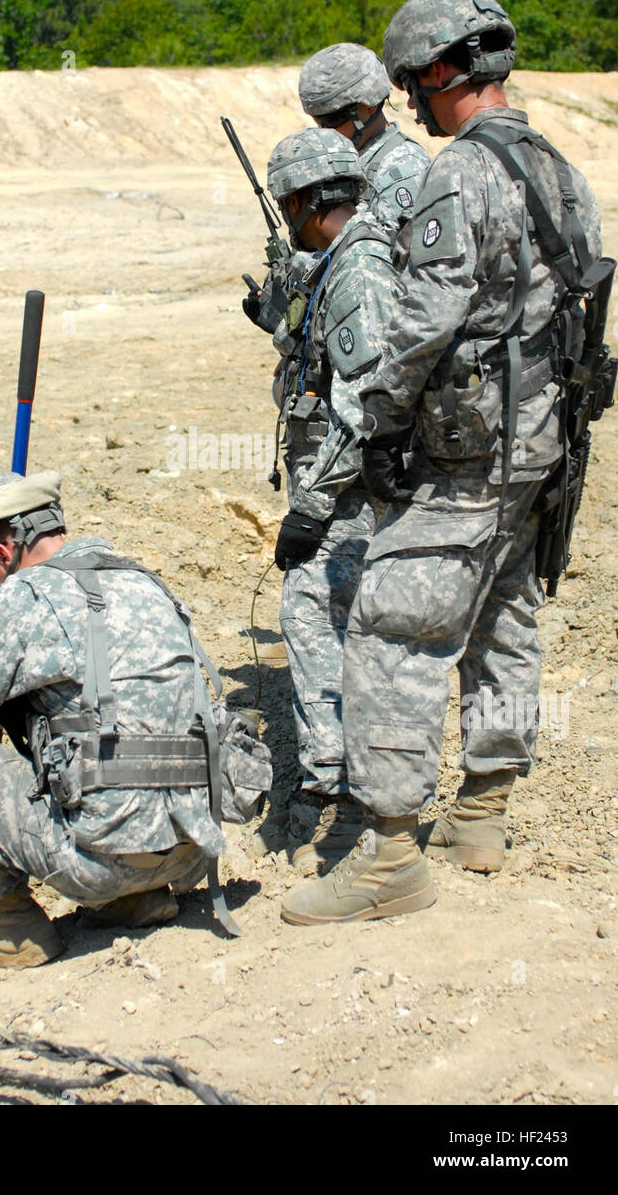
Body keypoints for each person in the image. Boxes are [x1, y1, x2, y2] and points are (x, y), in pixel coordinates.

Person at [281, 0, 606, 926]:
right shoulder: (557, 164)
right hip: (539, 449)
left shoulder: (459, 172)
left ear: (437, 69)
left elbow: (425, 321)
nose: (407, 105)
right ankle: (482, 814)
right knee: (505, 616)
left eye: (409, 84)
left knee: (391, 625)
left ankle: (387, 859)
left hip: (467, 453)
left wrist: (376, 419)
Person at [0, 471, 270, 973]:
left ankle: (9, 926)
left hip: (101, 860)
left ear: (1, 553)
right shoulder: (141, 578)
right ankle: (136, 899)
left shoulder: (26, 600)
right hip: (192, 852)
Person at [265, 128, 401, 870]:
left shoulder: (361, 270)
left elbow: (365, 403)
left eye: (288, 202)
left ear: (311, 200)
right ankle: (346, 784)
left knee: (318, 622)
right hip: (339, 482)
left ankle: (341, 795)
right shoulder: (340, 263)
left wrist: (311, 507)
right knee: (333, 627)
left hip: (347, 489)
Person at [298, 42, 430, 235]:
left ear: (369, 106)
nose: (326, 129)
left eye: (335, 118)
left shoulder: (403, 168)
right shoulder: (346, 158)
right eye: (319, 120)